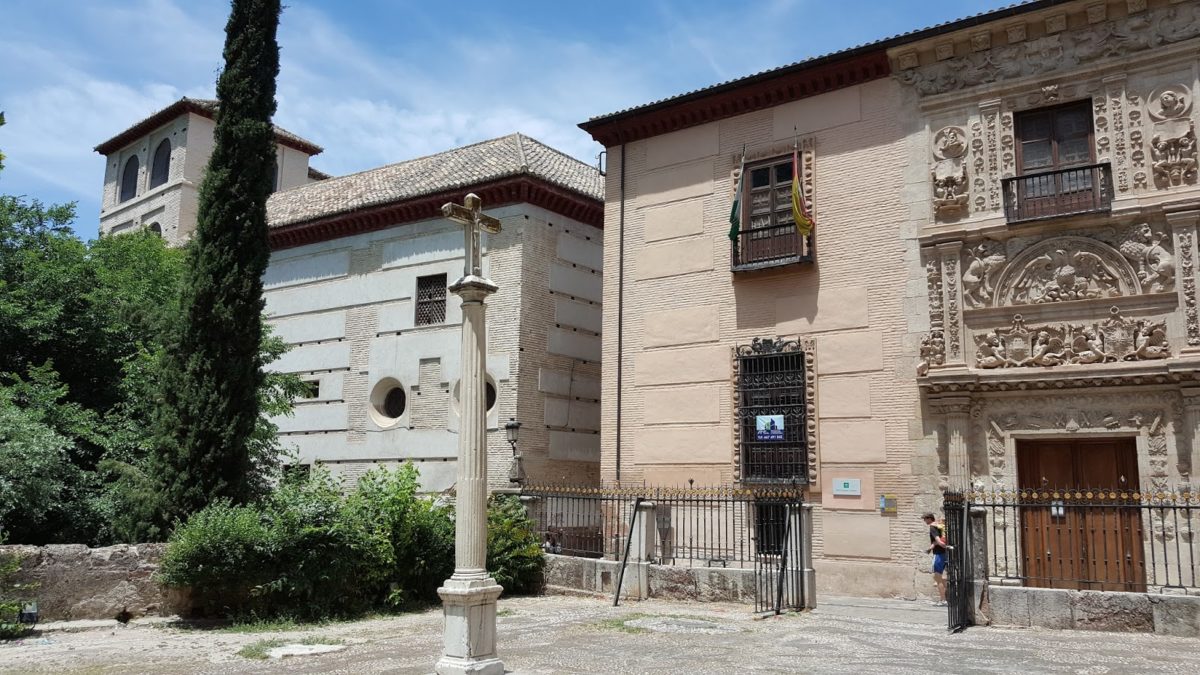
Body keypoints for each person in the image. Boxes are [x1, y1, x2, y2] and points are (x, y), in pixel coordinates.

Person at [924, 512, 948, 606]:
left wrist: (944, 545)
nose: (924, 521)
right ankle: (945, 598)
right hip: (945, 554)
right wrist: (930, 548)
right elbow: (936, 542)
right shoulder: (940, 527)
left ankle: (943, 600)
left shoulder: (933, 527)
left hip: (939, 554)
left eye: (925, 519)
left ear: (929, 518)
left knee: (937, 578)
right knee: (941, 577)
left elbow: (938, 540)